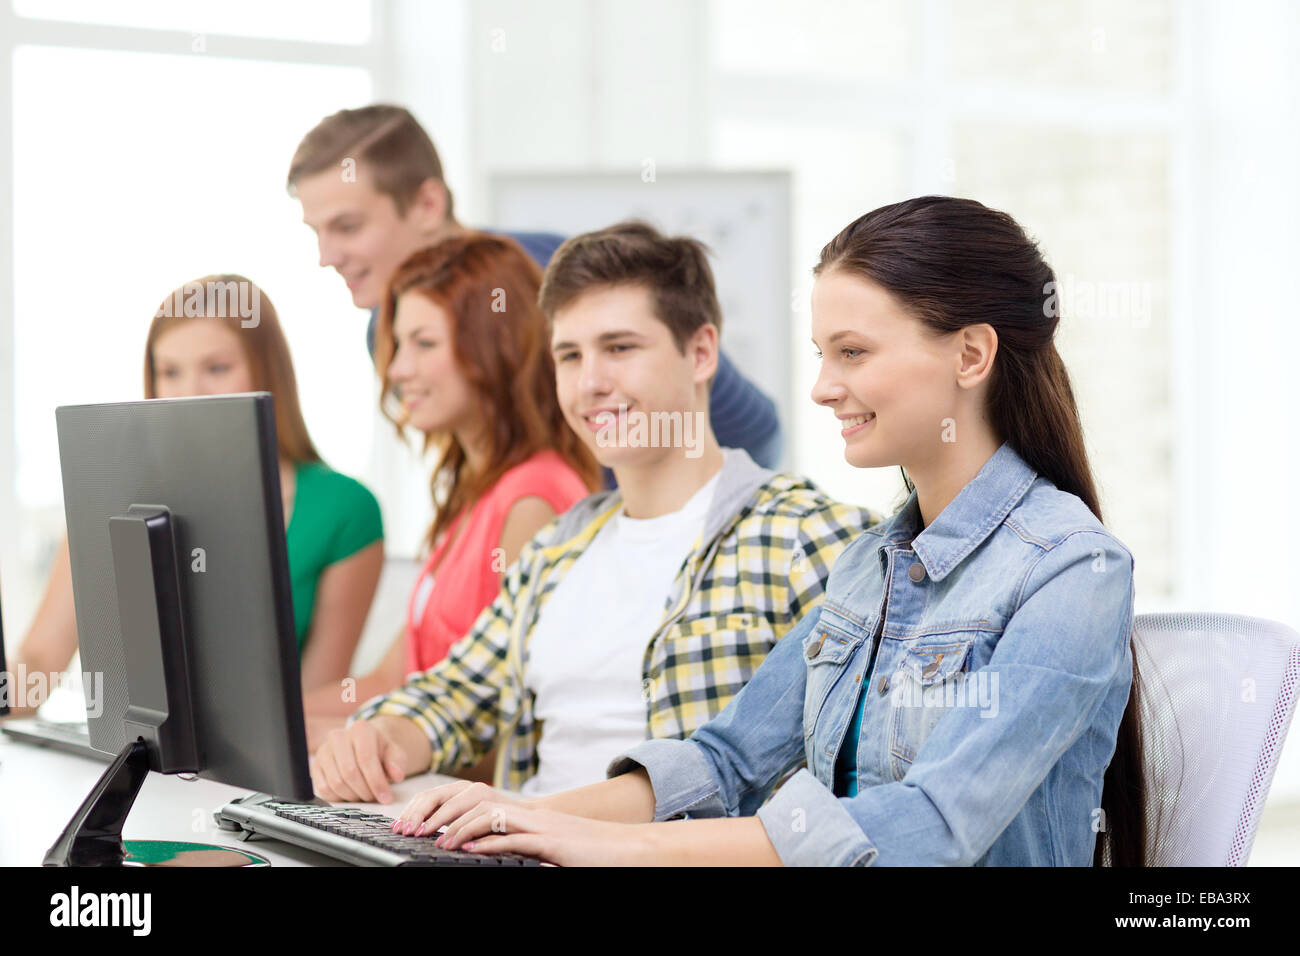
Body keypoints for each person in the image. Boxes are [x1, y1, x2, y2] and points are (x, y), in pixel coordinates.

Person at [388, 197, 1148, 868]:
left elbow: (931, 824)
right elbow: (722, 762)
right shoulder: (870, 566)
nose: (821, 387)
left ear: (971, 354)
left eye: (852, 352)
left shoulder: (1072, 569)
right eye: (823, 355)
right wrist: (519, 816)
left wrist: (609, 848)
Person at [309, 221, 878, 803]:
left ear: (701, 352)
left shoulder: (808, 536)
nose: (590, 383)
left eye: (620, 348)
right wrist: (379, 738)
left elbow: (862, 787)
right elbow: (454, 695)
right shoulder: (558, 548)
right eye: (569, 355)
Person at [285, 103, 784, 470]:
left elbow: (751, 425)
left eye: (347, 227)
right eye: (317, 233)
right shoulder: (384, 333)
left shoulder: (548, 276)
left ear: (427, 204)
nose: (327, 257)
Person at [7, 275, 385, 716]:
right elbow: (39, 662)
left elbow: (313, 704)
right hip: (130, 768)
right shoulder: (110, 500)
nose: (188, 393)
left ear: (267, 370)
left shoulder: (343, 509)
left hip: (252, 779)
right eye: (170, 372)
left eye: (217, 368)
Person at [302, 234, 601, 737]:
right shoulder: (479, 494)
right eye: (400, 344)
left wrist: (313, 739)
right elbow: (386, 682)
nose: (398, 369)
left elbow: (494, 726)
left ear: (495, 344)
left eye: (424, 343)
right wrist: (263, 723)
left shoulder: (533, 501)